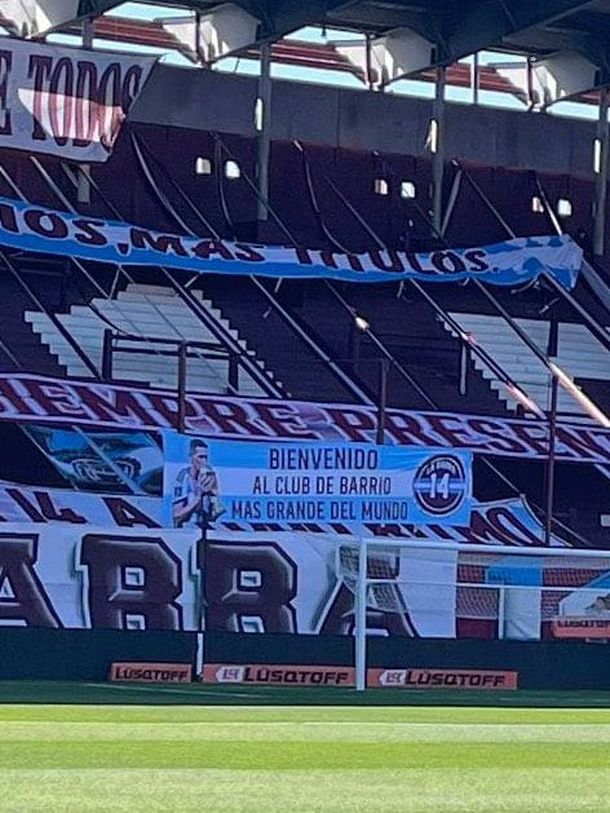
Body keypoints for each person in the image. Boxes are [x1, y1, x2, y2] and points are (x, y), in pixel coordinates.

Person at [173, 439, 225, 529]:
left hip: (205, 530)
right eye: (200, 457)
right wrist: (198, 497)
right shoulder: (183, 477)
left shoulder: (208, 474)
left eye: (206, 457)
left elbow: (216, 512)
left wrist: (213, 493)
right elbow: (176, 515)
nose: (204, 461)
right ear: (191, 457)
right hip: (186, 531)